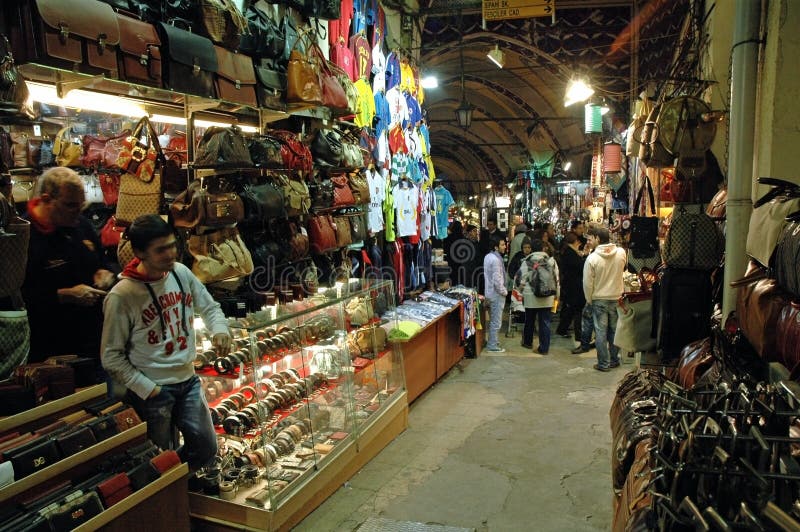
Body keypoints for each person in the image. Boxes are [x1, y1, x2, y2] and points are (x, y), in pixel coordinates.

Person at [101, 214, 232, 471]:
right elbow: (111, 356)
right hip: (154, 389)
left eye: (172, 245)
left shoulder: (180, 273)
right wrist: (149, 389)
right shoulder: (122, 296)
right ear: (139, 252)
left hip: (188, 381)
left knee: (206, 446)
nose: (171, 253)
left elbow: (210, 307)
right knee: (159, 460)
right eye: (161, 249)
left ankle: (178, 485)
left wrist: (220, 329)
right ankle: (170, 500)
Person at [22, 167, 115, 363]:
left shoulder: (80, 225)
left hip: (93, 341)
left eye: (81, 205)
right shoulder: (25, 237)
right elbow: (20, 298)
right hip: (50, 350)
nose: (78, 212)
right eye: (71, 205)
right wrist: (64, 295)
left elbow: (103, 260)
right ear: (47, 200)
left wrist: (105, 273)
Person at [582, 225, 626, 371]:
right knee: (614, 331)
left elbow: (588, 283)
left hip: (599, 299)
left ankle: (603, 363)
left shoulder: (592, 258)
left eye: (591, 238)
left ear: (598, 239)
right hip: (617, 298)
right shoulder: (621, 253)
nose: (589, 241)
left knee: (600, 332)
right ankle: (614, 360)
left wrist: (589, 299)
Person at [516, 239, 559, 354]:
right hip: (547, 296)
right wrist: (557, 296)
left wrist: (520, 291)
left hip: (531, 297)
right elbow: (557, 280)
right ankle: (544, 348)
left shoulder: (527, 262)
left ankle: (528, 342)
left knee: (529, 320)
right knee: (545, 322)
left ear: (532, 249)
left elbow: (521, 280)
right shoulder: (551, 262)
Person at [555, 232, 586, 343]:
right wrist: (584, 256)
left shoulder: (569, 252)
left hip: (571, 285)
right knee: (577, 310)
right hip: (574, 286)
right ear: (574, 242)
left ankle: (562, 329)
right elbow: (580, 266)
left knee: (571, 309)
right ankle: (578, 334)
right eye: (577, 241)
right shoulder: (570, 253)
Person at [483, 234, 508, 353]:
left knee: (493, 319)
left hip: (489, 292)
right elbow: (497, 280)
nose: (505, 246)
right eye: (502, 244)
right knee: (496, 321)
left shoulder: (488, 257)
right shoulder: (496, 260)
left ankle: (493, 340)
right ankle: (492, 344)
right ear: (496, 247)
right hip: (496, 294)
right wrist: (504, 291)